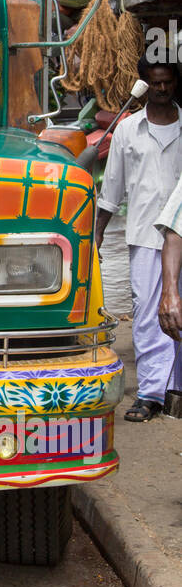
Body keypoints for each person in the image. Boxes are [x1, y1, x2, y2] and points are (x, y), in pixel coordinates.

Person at [95, 59, 182, 420]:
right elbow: (111, 188)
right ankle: (150, 394)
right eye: (155, 83)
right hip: (146, 234)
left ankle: (175, 390)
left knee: (178, 312)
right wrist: (96, 235)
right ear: (145, 85)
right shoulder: (129, 130)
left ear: (175, 84)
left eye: (167, 83)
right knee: (148, 315)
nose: (162, 90)